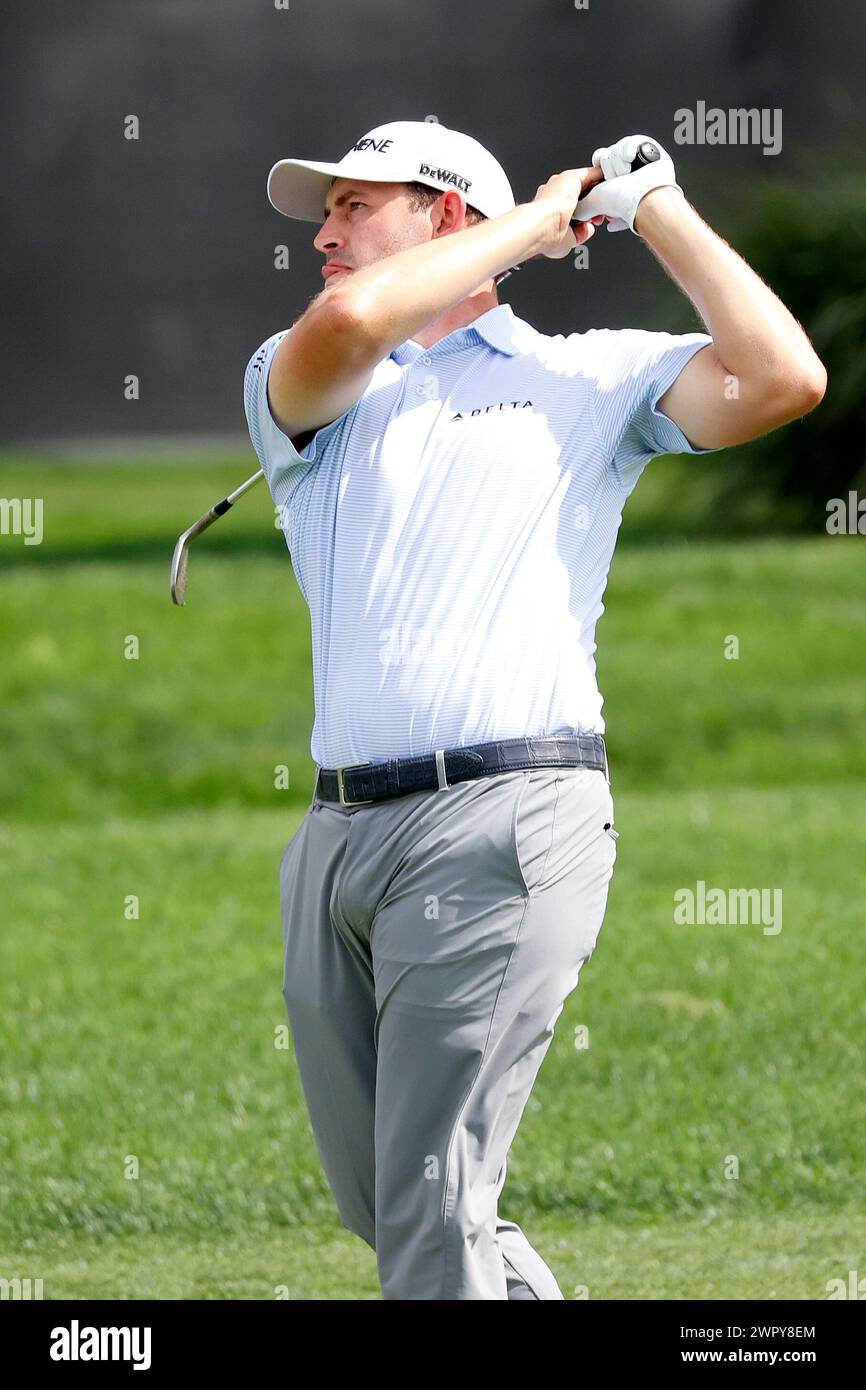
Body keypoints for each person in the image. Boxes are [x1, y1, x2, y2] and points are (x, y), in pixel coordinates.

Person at [243, 120, 826, 1300]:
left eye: (356, 205)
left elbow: (781, 378)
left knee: (430, 1199)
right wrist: (541, 222)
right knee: (388, 1197)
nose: (323, 233)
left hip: (507, 814)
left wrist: (651, 207)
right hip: (336, 838)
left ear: (446, 216)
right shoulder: (297, 369)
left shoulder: (589, 375)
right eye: (326, 209)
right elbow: (352, 325)